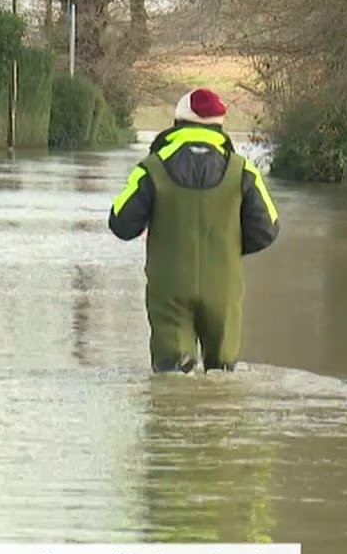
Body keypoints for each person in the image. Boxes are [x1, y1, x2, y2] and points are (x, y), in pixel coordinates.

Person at [108, 88, 280, 374]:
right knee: (222, 381)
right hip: (223, 289)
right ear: (219, 126)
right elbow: (267, 230)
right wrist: (226, 246)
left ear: (177, 123)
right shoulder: (244, 171)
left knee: (172, 382)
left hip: (170, 290)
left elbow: (121, 224)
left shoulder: (150, 169)